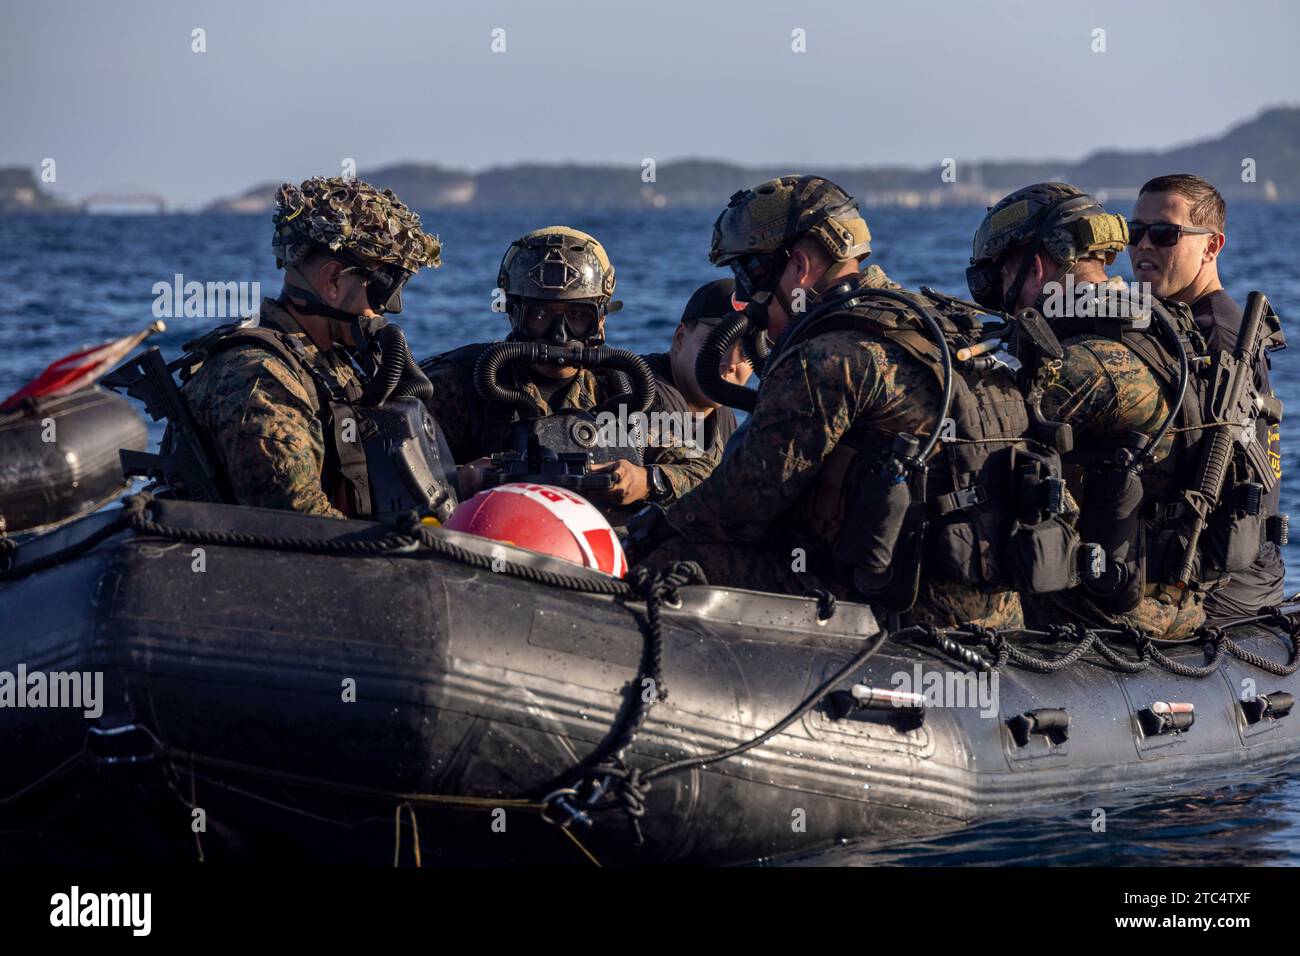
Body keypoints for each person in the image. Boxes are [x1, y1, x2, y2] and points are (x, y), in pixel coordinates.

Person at [636, 175, 1045, 631]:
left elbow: (743, 506)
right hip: (997, 615)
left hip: (892, 612)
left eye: (748, 274)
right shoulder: (951, 326)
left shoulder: (829, 355)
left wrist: (655, 526)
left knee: (670, 557)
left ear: (800, 266)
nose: (741, 297)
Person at [968, 181, 1237, 641]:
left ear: (1035, 267)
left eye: (997, 283)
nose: (1002, 303)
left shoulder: (1100, 357)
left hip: (1118, 610)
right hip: (1164, 597)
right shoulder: (1148, 326)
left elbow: (983, 416)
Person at [177, 176, 443, 518]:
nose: (391, 308)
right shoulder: (261, 379)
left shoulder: (324, 358)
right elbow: (302, 524)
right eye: (383, 290)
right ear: (333, 280)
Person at [1130, 173, 1286, 620]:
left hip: (1224, 583)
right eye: (1134, 232)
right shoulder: (1175, 327)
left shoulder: (1216, 339)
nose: (1143, 246)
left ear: (1212, 247)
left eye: (1164, 234)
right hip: (1208, 565)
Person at [420, 227, 635, 495]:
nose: (559, 334)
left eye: (578, 315)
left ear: (601, 319)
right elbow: (390, 476)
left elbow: (696, 468)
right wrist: (456, 482)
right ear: (513, 314)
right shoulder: (459, 383)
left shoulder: (623, 386)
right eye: (540, 314)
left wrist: (648, 481)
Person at [591, 278, 750, 509]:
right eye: (717, 342)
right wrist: (649, 481)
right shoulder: (644, 391)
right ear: (680, 338)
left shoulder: (723, 415)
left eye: (745, 350)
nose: (731, 363)